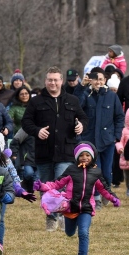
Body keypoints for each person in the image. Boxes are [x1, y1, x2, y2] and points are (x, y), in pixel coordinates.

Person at [34, 142, 120, 255]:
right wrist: (43, 186)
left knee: (84, 232)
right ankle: (66, 222)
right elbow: (57, 184)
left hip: (87, 208)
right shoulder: (71, 170)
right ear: (77, 157)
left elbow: (104, 189)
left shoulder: (96, 172)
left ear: (92, 157)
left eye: (87, 155)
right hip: (71, 207)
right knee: (69, 232)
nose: (84, 157)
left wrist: (113, 198)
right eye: (81, 155)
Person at [21, 67, 87, 230]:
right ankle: (51, 217)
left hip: (66, 152)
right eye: (50, 80)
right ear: (45, 81)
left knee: (62, 184)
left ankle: (65, 217)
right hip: (44, 152)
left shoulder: (72, 100)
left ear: (61, 81)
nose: (53, 83)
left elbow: (84, 118)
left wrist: (81, 126)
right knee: (46, 186)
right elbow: (26, 122)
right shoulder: (36, 101)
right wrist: (37, 131)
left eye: (56, 80)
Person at [78, 70, 125, 188]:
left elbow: (119, 116)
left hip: (108, 140)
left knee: (107, 172)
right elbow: (76, 106)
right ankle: (97, 197)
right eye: (95, 79)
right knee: (95, 171)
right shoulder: (86, 94)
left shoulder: (112, 96)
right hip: (91, 140)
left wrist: (116, 136)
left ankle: (106, 190)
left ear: (105, 80)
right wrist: (82, 86)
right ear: (91, 80)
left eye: (101, 79)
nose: (98, 82)